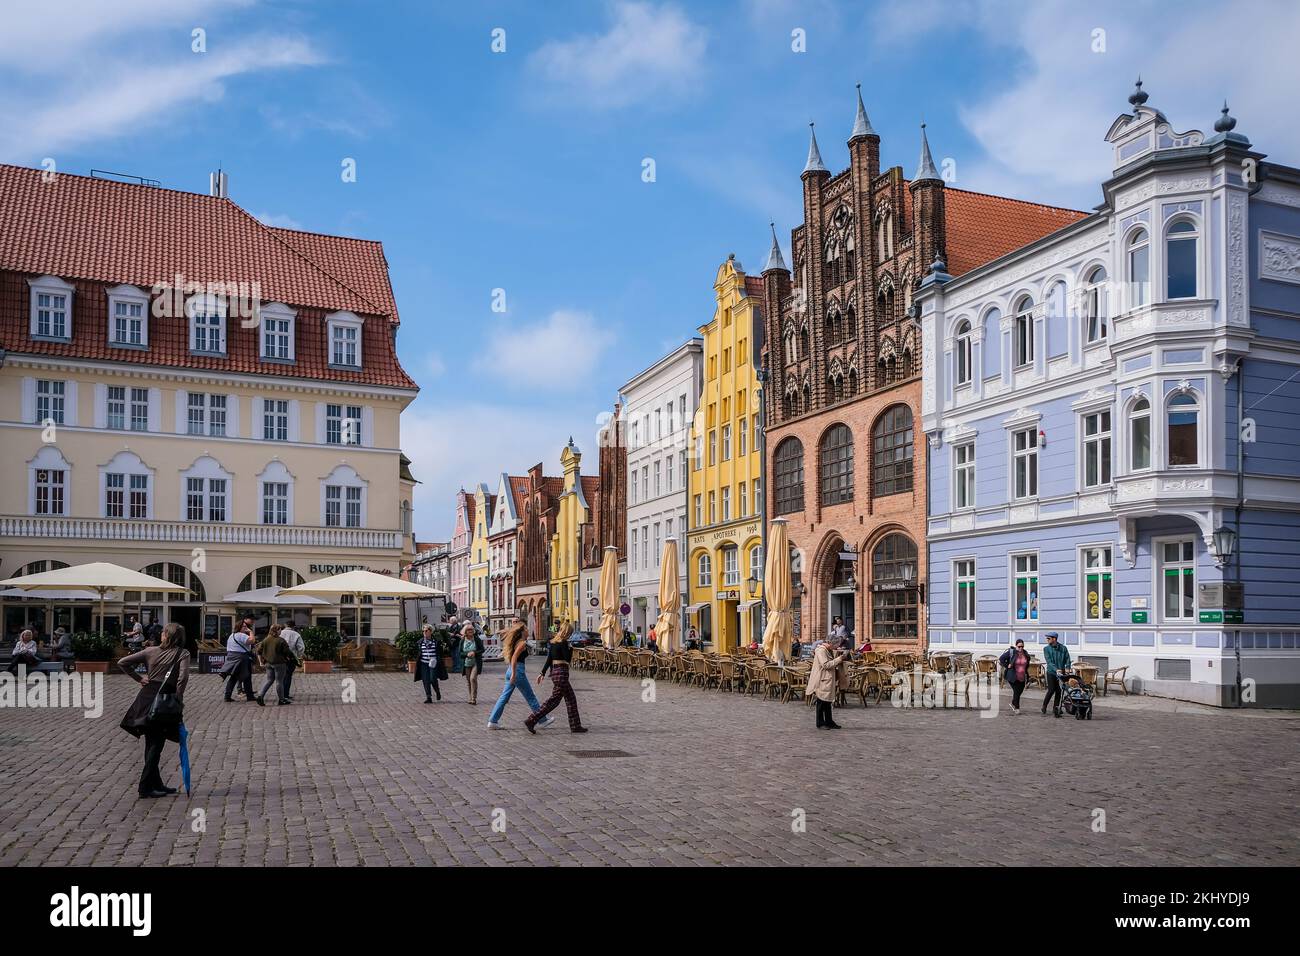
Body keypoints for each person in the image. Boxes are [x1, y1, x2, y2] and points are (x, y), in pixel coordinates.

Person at [118, 622, 190, 798]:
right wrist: (178, 699)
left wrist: (139, 679)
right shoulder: (182, 653)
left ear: (166, 635)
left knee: (152, 742)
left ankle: (156, 783)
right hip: (164, 700)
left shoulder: (151, 651)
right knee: (156, 745)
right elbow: (182, 678)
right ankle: (145, 787)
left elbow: (123, 662)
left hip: (146, 697)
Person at [487, 618, 549, 730]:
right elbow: (514, 658)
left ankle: (493, 721)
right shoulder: (521, 643)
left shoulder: (515, 642)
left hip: (510, 670)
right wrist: (514, 674)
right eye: (526, 629)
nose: (528, 631)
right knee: (530, 696)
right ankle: (542, 720)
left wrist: (512, 673)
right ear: (522, 632)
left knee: (504, 697)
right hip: (517, 671)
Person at [526, 622, 587, 734]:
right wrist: (571, 649)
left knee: (570, 699)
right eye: (570, 633)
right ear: (567, 632)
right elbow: (567, 659)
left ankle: (575, 726)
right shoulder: (563, 643)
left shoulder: (553, 642)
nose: (570, 635)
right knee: (554, 701)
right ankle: (531, 719)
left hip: (555, 672)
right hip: (562, 673)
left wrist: (542, 673)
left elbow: (549, 660)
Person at [805, 637, 848, 729]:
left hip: (827, 679)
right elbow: (826, 665)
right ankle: (820, 723)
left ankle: (829, 721)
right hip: (822, 679)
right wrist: (839, 659)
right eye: (836, 645)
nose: (837, 647)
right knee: (821, 701)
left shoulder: (828, 650)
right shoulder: (821, 651)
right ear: (831, 643)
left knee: (828, 701)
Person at [254, 624, 292, 706]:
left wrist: (261, 662)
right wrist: (288, 658)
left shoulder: (265, 640)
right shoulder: (281, 640)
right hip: (280, 663)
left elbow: (258, 652)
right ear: (277, 630)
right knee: (279, 681)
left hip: (268, 663)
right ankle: (281, 700)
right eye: (280, 629)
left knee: (269, 680)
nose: (281, 631)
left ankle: (260, 696)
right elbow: (288, 652)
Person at [221, 623, 256, 702]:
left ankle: (227, 696)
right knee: (247, 677)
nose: (246, 628)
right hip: (242, 658)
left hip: (232, 657)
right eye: (244, 626)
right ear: (239, 627)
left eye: (246, 626)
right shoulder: (241, 635)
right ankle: (250, 696)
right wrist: (251, 632)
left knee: (233, 677)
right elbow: (252, 641)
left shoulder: (231, 635)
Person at [1041, 631, 1073, 718]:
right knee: (1051, 690)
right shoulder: (1046, 649)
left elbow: (1067, 659)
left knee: (1059, 691)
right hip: (1051, 672)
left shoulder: (1063, 648)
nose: (1047, 640)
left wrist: (1067, 667)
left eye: (1048, 638)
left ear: (1054, 639)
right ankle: (1044, 706)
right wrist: (1056, 669)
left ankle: (1056, 708)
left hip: (1061, 673)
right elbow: (1049, 662)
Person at [414, 624, 445, 703]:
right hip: (424, 663)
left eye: (426, 631)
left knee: (432, 678)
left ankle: (437, 691)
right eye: (423, 631)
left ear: (431, 631)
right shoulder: (420, 642)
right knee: (426, 680)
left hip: (433, 663)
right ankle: (428, 697)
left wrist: (437, 659)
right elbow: (418, 653)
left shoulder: (436, 642)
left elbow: (440, 652)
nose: (424, 632)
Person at [999, 638, 1031, 714]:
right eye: (1019, 646)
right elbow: (1001, 659)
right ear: (1016, 646)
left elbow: (1027, 663)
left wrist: (1027, 673)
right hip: (1012, 675)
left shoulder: (1025, 653)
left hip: (1022, 676)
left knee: (1020, 691)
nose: (1021, 648)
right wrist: (1007, 665)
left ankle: (1013, 702)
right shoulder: (1011, 652)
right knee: (1016, 691)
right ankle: (1017, 708)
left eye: (1022, 646)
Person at [460, 623, 485, 704]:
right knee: (468, 681)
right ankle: (470, 697)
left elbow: (482, 649)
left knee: (473, 679)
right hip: (467, 663)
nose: (470, 631)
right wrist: (466, 654)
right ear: (465, 631)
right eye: (469, 630)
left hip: (475, 662)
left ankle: (474, 698)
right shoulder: (462, 640)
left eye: (471, 629)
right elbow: (460, 653)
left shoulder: (476, 639)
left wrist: (474, 652)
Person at [280, 622, 303, 700]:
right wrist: (299, 656)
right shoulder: (296, 634)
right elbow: (301, 647)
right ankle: (286, 694)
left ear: (285, 625)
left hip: (280, 658)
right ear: (293, 626)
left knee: (280, 677)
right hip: (291, 658)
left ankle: (280, 694)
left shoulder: (280, 632)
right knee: (288, 675)